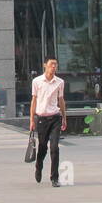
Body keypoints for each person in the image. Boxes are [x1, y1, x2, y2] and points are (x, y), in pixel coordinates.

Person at [29, 57, 66, 187]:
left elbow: (61, 100)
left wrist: (64, 117)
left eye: (55, 64)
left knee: (54, 148)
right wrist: (32, 120)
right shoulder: (37, 81)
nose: (53, 67)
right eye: (51, 64)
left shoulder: (60, 82)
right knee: (43, 147)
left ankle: (54, 178)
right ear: (45, 65)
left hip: (55, 117)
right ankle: (39, 167)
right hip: (42, 119)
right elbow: (34, 101)